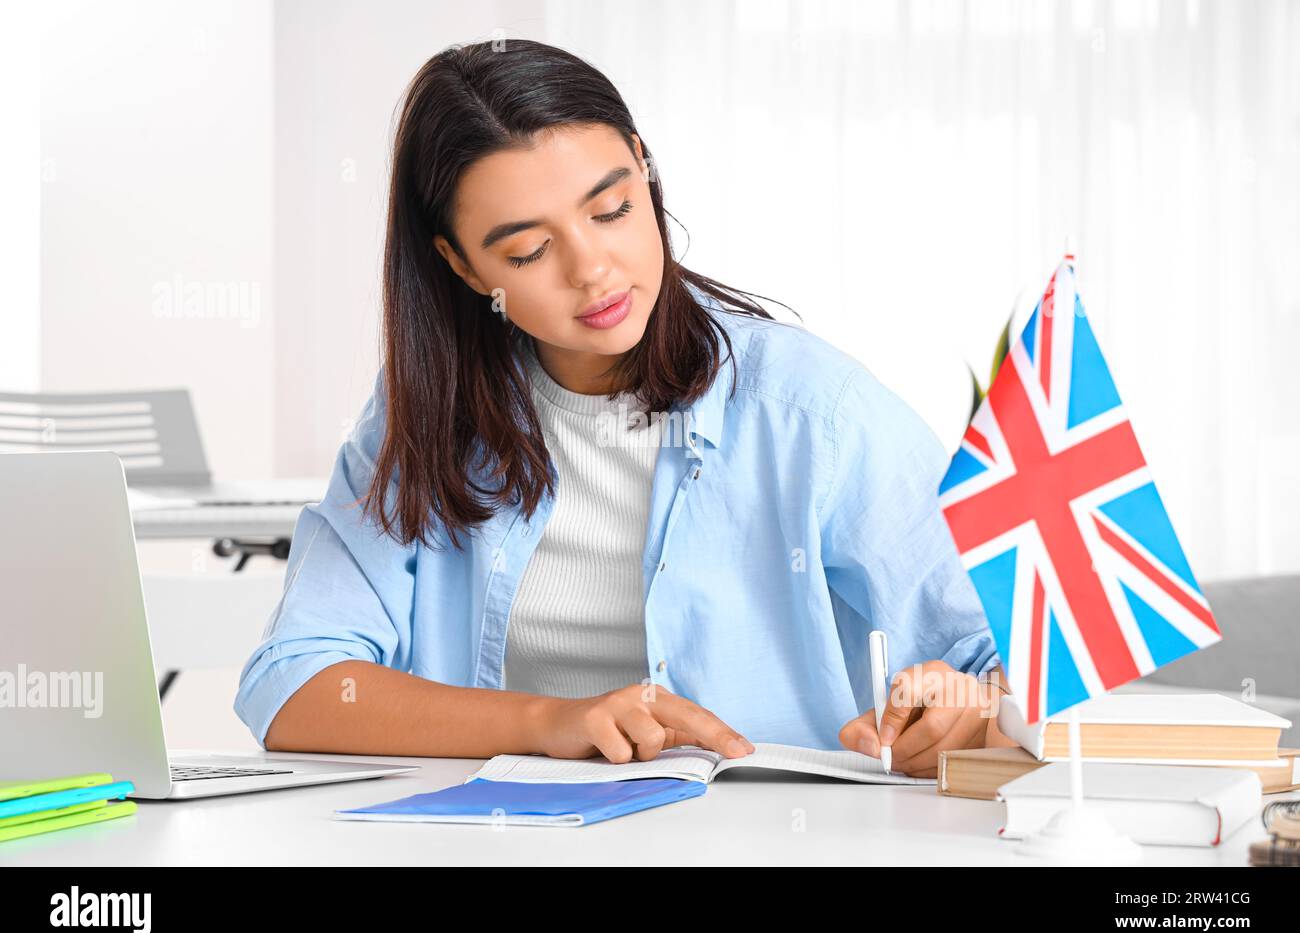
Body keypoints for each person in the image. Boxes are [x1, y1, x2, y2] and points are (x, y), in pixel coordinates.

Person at [234, 38, 1015, 778]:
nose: (593, 270)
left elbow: (1005, 659)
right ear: (462, 267)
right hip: (494, 843)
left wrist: (966, 710)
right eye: (527, 252)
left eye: (611, 209)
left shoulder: (814, 414)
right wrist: (549, 722)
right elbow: (296, 682)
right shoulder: (423, 418)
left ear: (644, 168)